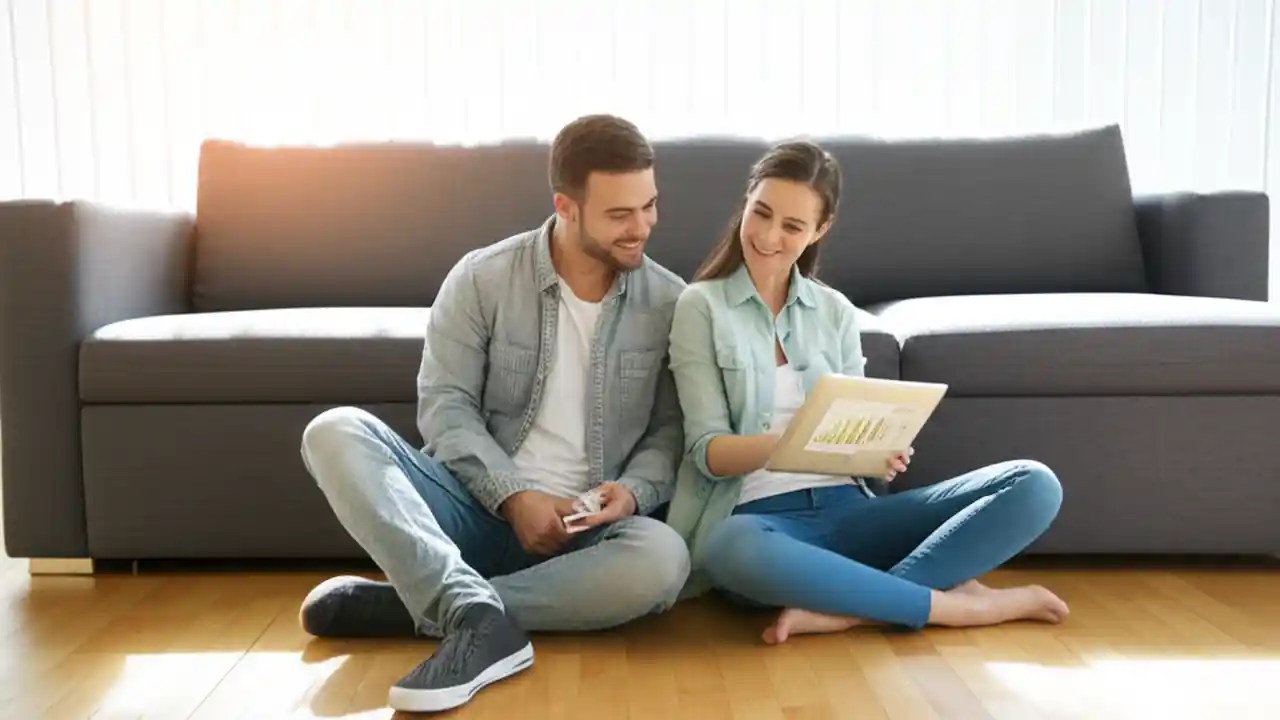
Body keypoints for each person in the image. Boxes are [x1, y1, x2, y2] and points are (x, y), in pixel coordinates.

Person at [298, 114, 690, 713]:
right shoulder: (482, 279)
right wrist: (514, 495)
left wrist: (633, 493)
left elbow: (668, 429)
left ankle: (442, 605)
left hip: (587, 537)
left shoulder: (669, 301)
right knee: (334, 431)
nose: (642, 228)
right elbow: (445, 408)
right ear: (566, 205)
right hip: (472, 511)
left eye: (650, 206)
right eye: (620, 215)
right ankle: (473, 612)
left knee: (663, 560)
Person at [665, 140, 1068, 645]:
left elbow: (855, 444)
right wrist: (791, 441)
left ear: (820, 230)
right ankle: (957, 608)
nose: (768, 236)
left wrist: (879, 454)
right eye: (760, 213)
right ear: (745, 202)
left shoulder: (832, 310)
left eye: (792, 226)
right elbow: (707, 453)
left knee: (1034, 484)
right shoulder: (700, 306)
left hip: (852, 512)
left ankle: (854, 611)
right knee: (729, 551)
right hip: (759, 524)